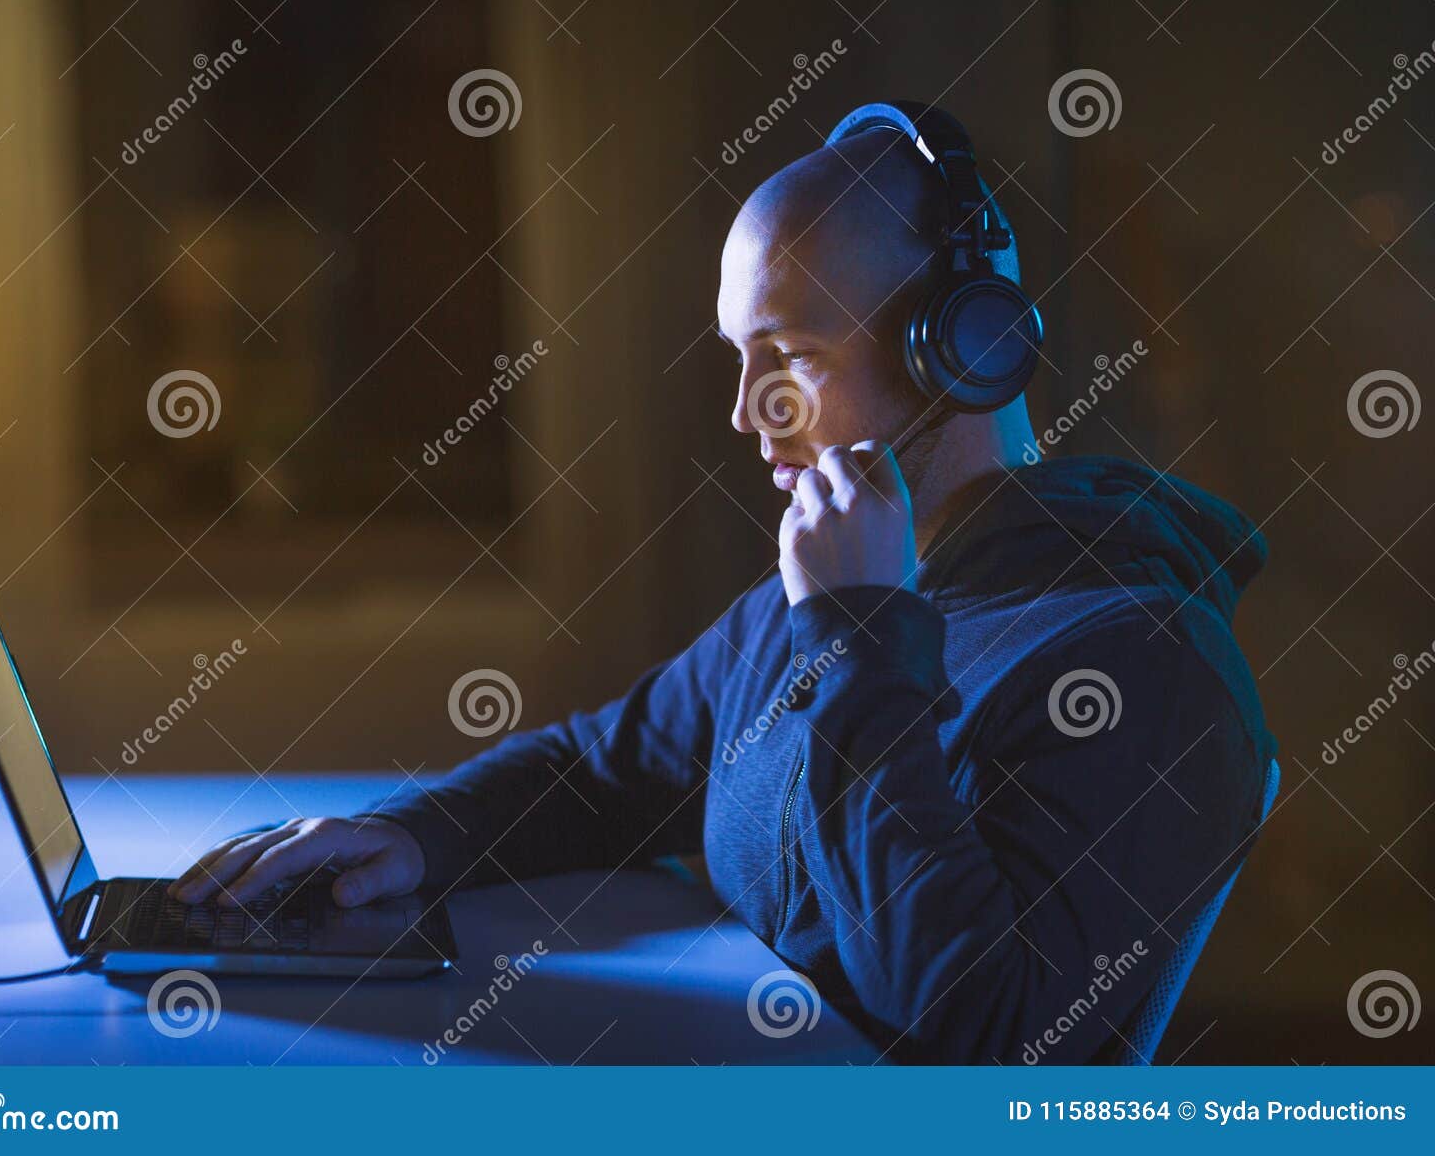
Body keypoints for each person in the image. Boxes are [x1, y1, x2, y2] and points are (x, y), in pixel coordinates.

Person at [171, 103, 1275, 1063]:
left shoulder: (1141, 664)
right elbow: (610, 766)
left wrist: (855, 633)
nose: (749, 413)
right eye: (737, 359)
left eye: (787, 358)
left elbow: (974, 1029)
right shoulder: (842, 588)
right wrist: (415, 835)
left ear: (965, 350)